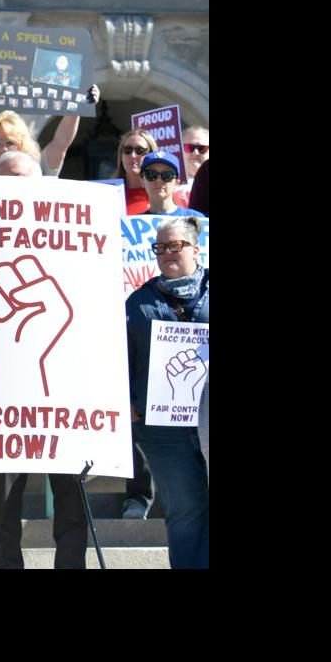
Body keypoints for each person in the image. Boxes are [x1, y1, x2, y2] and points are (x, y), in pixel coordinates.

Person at [0, 150, 91, 569]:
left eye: (19, 177)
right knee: (4, 505)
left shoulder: (68, 230)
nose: (10, 186)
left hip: (65, 387)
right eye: (3, 178)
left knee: (70, 500)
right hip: (2, 392)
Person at [125, 216, 209, 569]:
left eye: (176, 246)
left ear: (195, 248)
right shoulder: (137, 303)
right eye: (160, 247)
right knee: (185, 510)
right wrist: (127, 402)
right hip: (162, 431)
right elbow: (119, 359)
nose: (167, 253)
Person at [0, 91, 98, 177]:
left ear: (22, 144)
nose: (3, 148)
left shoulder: (38, 167)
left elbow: (60, 144)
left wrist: (80, 104)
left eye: (10, 142)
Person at [136, 150, 205, 218]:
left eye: (167, 175)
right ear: (142, 181)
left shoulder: (197, 219)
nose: (159, 180)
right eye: (151, 174)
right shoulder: (133, 224)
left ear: (177, 183)